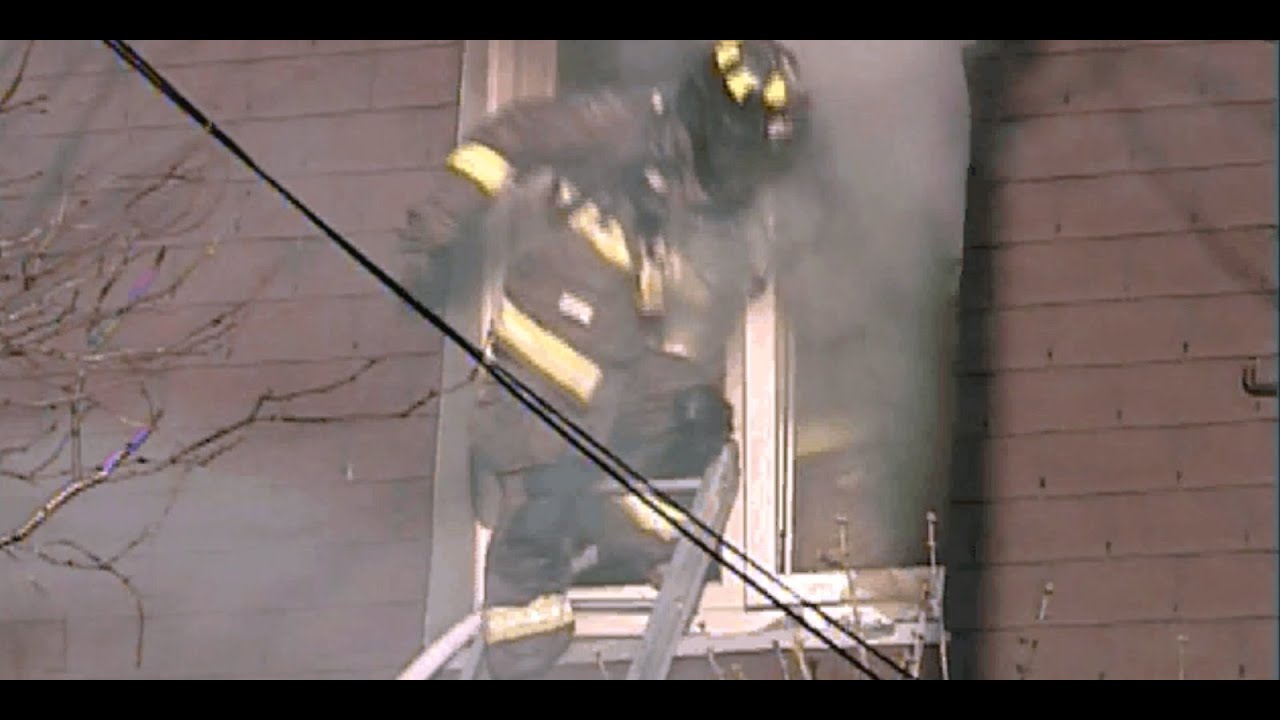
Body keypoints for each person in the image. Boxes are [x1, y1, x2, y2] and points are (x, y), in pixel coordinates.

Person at [400, 40, 813, 679]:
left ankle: (622, 543)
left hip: (616, 387)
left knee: (696, 419)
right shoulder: (626, 127)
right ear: (704, 120)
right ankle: (521, 657)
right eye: (735, 153)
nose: (736, 173)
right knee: (534, 529)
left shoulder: (724, 203)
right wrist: (436, 228)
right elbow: (507, 136)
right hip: (543, 375)